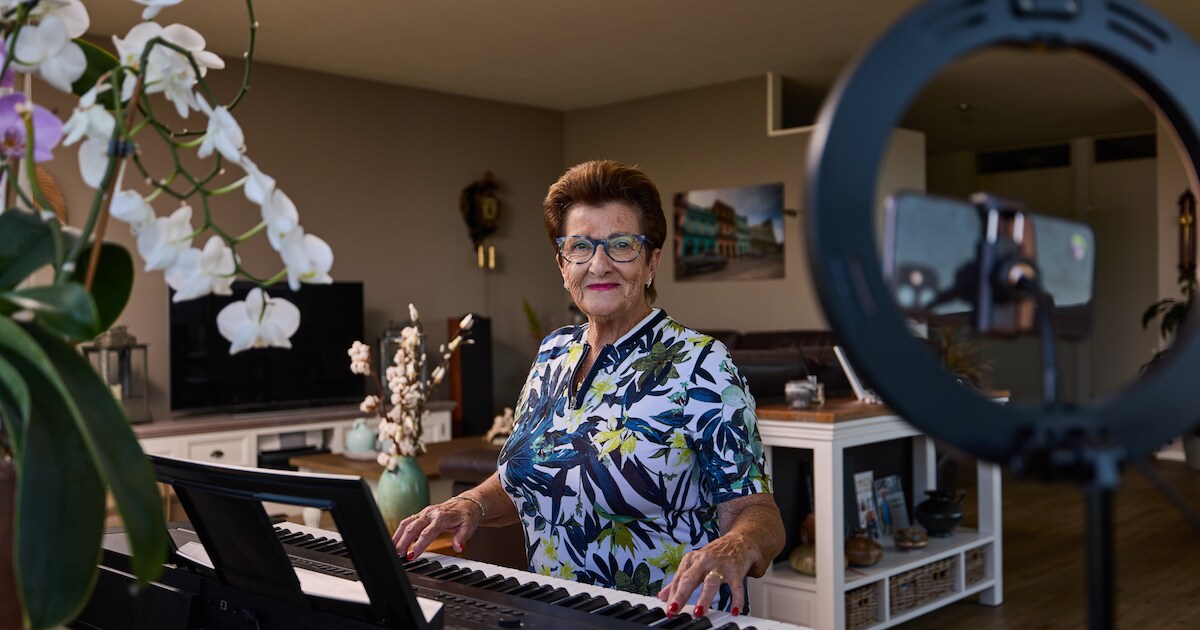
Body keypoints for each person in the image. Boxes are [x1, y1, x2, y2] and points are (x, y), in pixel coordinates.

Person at [394, 160, 785, 618]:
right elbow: (526, 482)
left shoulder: (702, 364)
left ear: (651, 261)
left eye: (621, 245)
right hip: (550, 613)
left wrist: (737, 545)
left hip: (665, 619)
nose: (598, 264)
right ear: (563, 265)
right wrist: (472, 504)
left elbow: (760, 511)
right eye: (580, 246)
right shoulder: (552, 353)